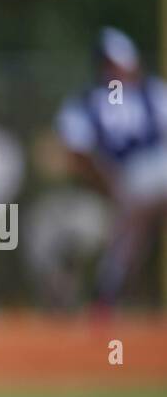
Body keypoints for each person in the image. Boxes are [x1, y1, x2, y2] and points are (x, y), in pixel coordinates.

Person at [55, 27, 167, 309]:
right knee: (130, 230)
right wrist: (108, 182)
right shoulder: (87, 102)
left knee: (131, 232)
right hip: (126, 180)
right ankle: (104, 297)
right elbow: (76, 152)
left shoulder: (152, 94)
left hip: (145, 178)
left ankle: (104, 297)